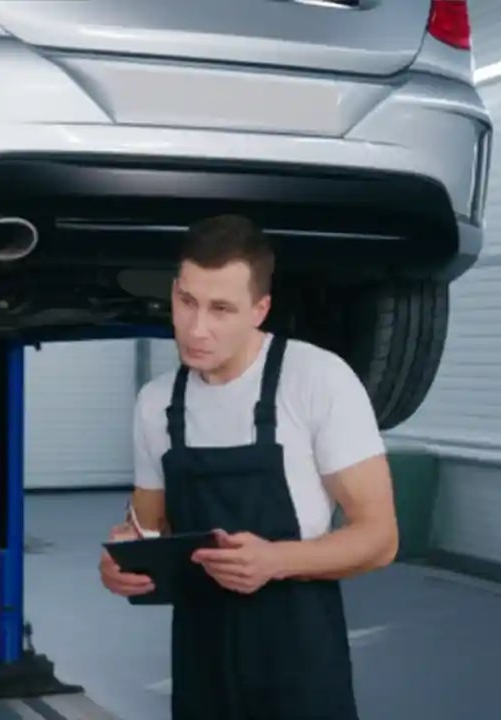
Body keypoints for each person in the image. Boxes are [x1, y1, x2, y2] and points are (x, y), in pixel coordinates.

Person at [99, 215, 399, 719]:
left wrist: (276, 561)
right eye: (187, 302)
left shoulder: (315, 380)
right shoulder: (156, 404)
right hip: (201, 666)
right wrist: (123, 562)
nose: (197, 328)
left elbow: (380, 537)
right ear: (173, 291)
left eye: (221, 309)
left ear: (260, 309)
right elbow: (146, 527)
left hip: (299, 666)